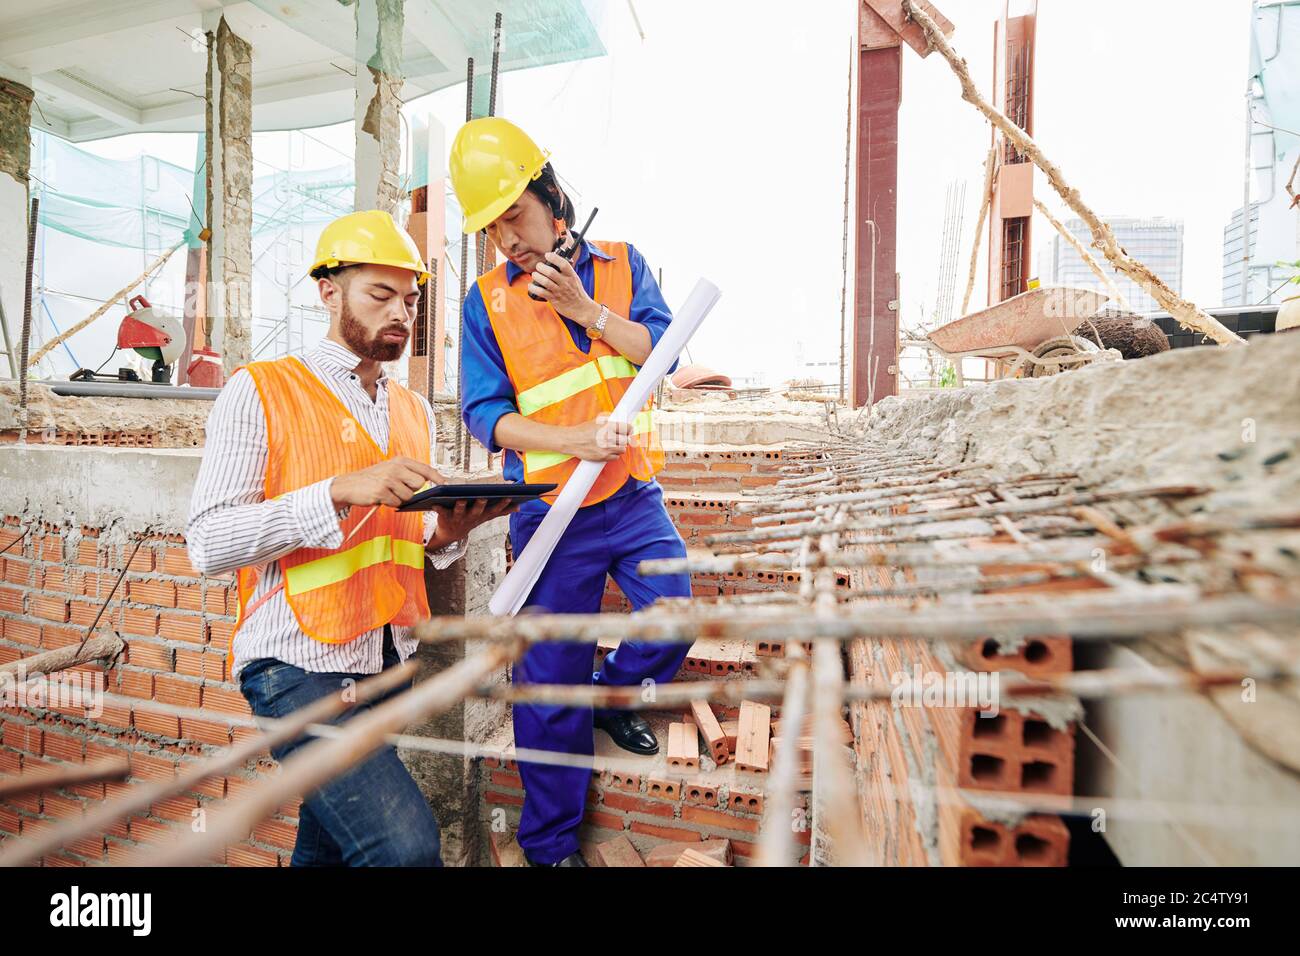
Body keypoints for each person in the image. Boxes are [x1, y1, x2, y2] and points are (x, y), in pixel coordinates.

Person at [186, 209, 513, 866]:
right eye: (381, 294)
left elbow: (403, 534)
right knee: (406, 848)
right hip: (295, 667)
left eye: (412, 300)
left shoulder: (413, 410)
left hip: (383, 660)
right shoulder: (261, 390)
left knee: (331, 848)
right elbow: (209, 543)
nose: (401, 312)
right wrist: (338, 489)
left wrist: (446, 532)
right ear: (328, 291)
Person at [450, 117, 692, 867]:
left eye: (514, 217)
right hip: (549, 516)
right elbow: (484, 415)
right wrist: (570, 443)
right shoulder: (484, 300)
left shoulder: (622, 264)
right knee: (548, 692)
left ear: (552, 195)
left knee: (674, 614)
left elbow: (667, 353)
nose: (508, 241)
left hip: (629, 495)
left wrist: (584, 311)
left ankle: (615, 695)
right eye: (491, 230)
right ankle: (549, 848)